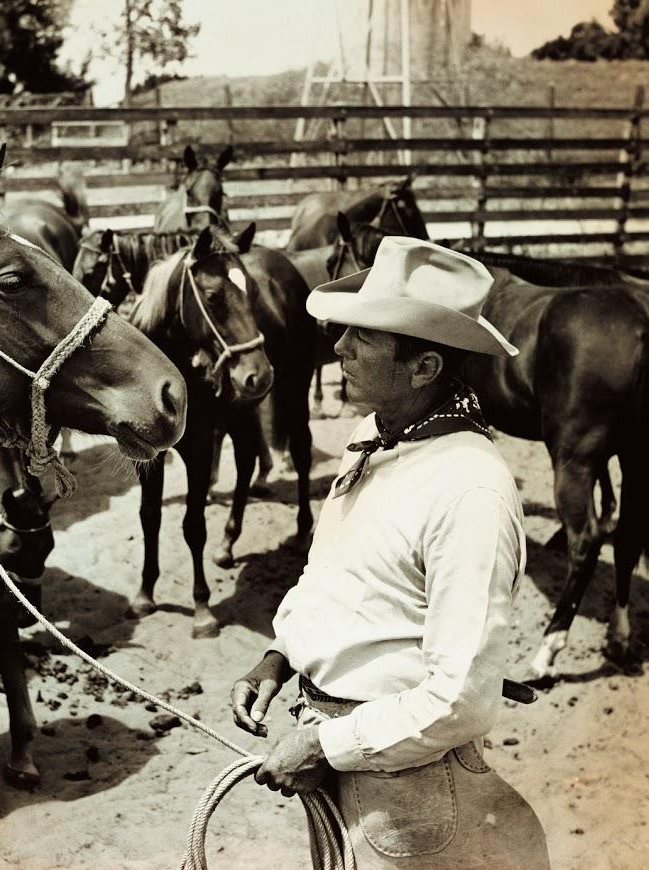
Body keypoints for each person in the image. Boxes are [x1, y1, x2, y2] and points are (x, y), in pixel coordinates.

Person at [231, 237, 550, 868]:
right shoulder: (369, 436)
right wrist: (279, 655)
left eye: (363, 337)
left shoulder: (470, 489)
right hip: (342, 756)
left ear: (425, 367)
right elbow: (334, 575)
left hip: (410, 788)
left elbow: (462, 699)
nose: (338, 347)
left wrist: (324, 744)